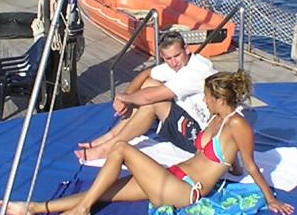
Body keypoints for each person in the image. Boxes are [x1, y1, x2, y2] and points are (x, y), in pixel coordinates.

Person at [1, 71, 293, 215]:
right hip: (173, 176)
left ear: (220, 99)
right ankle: (35, 208)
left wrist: (270, 199)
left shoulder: (238, 125)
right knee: (107, 189)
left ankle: (81, 211)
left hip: (185, 190)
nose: (203, 102)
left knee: (121, 149)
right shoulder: (217, 118)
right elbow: (232, 161)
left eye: (206, 97)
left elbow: (250, 164)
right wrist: (233, 167)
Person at [75, 29, 215, 163]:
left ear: (187, 49)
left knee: (153, 103)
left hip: (202, 137)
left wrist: (124, 99)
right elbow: (146, 74)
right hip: (190, 120)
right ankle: (111, 136)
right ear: (163, 57)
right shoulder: (180, 63)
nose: (174, 62)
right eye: (168, 59)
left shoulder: (195, 71)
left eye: (177, 56)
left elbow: (149, 97)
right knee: (149, 83)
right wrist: (127, 94)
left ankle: (109, 147)